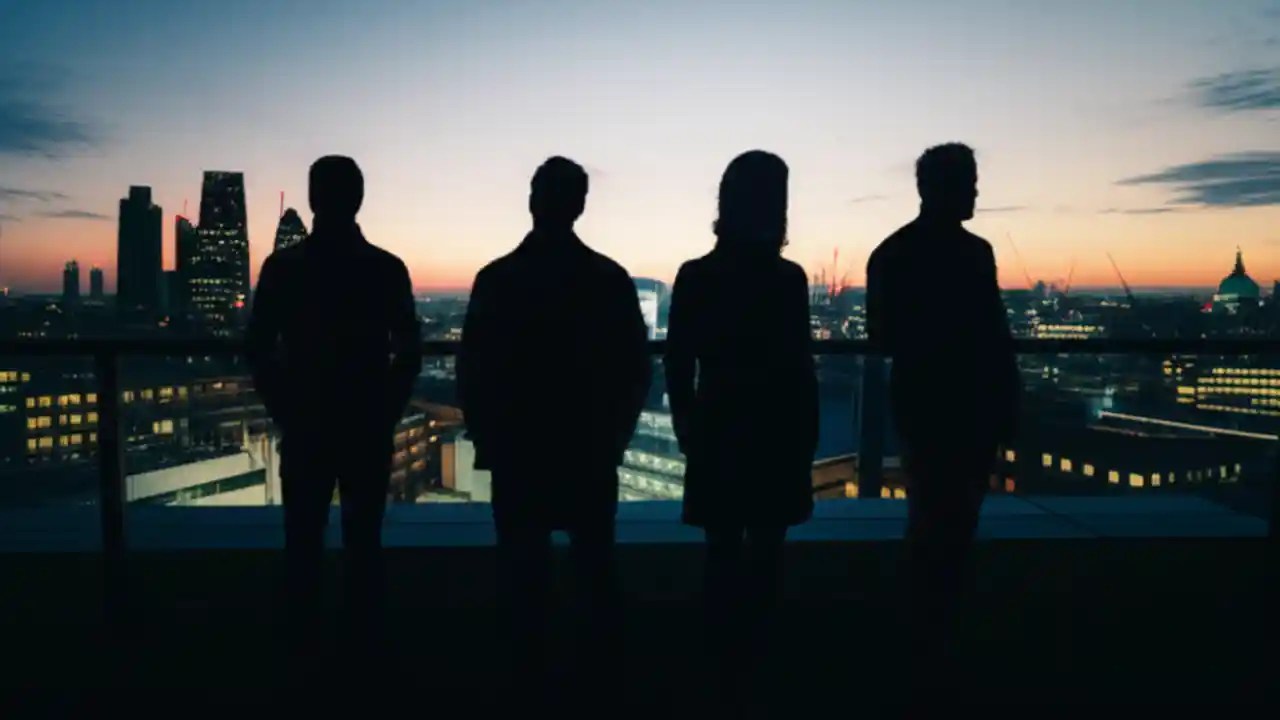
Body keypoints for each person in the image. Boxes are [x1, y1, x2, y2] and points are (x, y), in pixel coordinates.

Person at [458, 156, 651, 698]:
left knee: (521, 574)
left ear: (531, 200)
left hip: (519, 452)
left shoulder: (497, 279)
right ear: (580, 205)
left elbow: (473, 369)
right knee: (595, 569)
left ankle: (525, 679)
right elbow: (636, 368)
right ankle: (599, 681)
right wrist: (615, 438)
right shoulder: (608, 280)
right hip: (588, 449)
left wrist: (488, 438)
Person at [246, 155, 422, 658]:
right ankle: (364, 651)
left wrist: (283, 408)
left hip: (306, 423)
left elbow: (258, 347)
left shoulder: (284, 268)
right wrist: (386, 411)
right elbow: (409, 351)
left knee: (302, 542)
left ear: (312, 198)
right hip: (366, 424)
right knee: (364, 543)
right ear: (359, 199)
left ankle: (302, 651)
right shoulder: (386, 269)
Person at [865, 142, 1019, 680]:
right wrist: (1007, 400)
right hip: (972, 401)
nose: (976, 192)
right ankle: (942, 633)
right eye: (968, 182)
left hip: (922, 399)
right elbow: (995, 334)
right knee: (959, 516)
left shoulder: (892, 253)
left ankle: (922, 636)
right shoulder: (975, 253)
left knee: (929, 512)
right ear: (943, 187)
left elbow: (882, 336)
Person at [664, 150, 818, 680]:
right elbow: (799, 365)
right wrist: (807, 434)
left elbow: (678, 360)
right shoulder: (789, 279)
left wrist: (686, 423)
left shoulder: (696, 276)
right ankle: (760, 655)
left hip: (719, 422)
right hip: (777, 426)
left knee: (722, 547)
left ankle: (721, 658)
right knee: (769, 548)